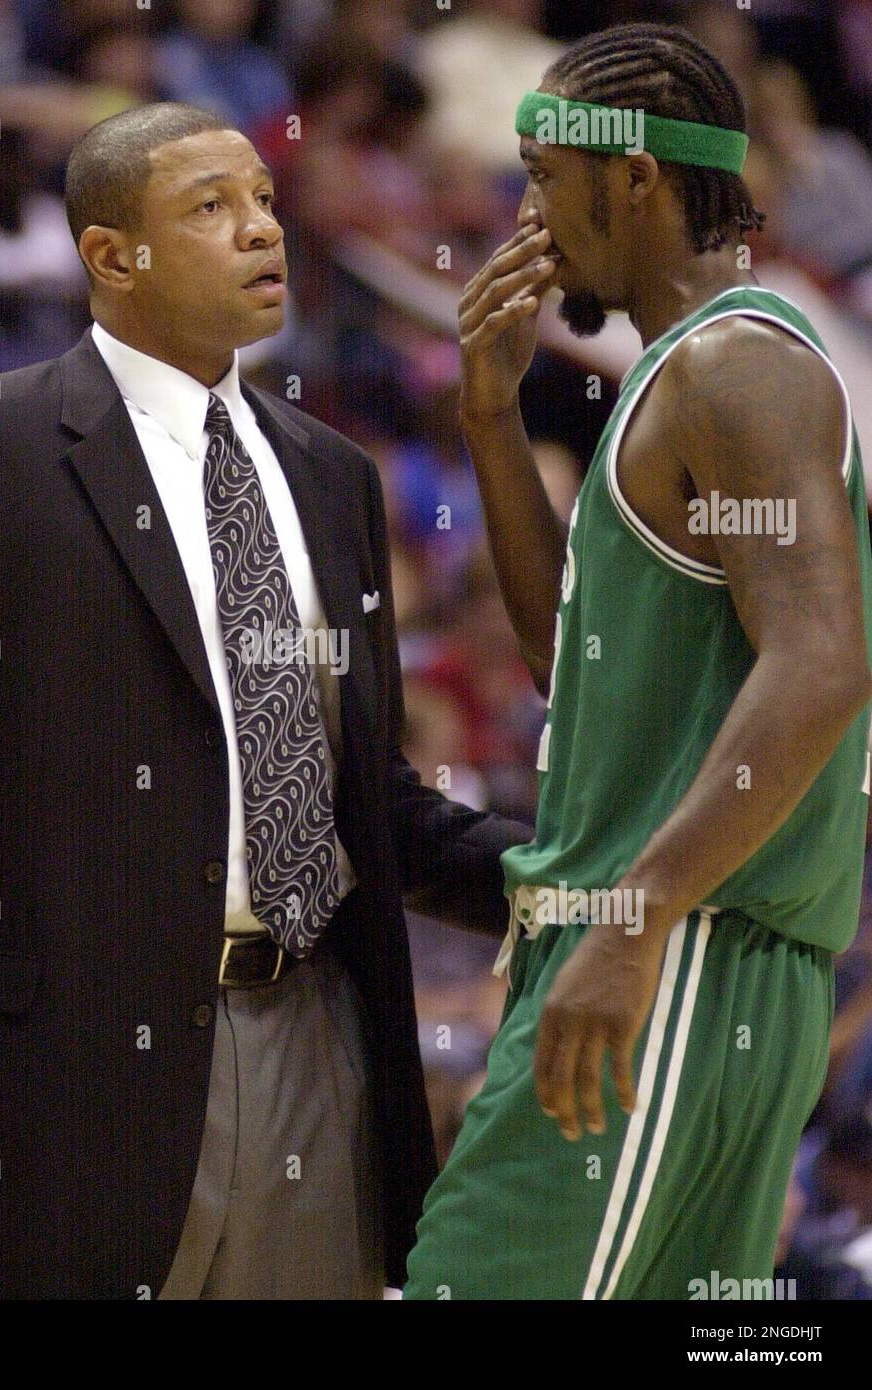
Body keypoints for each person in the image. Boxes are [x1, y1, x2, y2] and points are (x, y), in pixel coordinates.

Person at [0, 102, 531, 1300]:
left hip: (316, 1042)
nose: (258, 230)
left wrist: (567, 880)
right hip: (55, 1079)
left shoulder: (332, 479)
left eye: (264, 203)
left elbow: (362, 795)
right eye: (209, 207)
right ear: (109, 256)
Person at [404, 22, 872, 1300]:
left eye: (545, 178)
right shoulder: (679, 376)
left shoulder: (734, 366)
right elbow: (587, 671)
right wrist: (492, 428)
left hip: (676, 943)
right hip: (681, 947)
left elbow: (824, 664)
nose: (528, 217)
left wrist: (638, 914)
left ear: (633, 178)